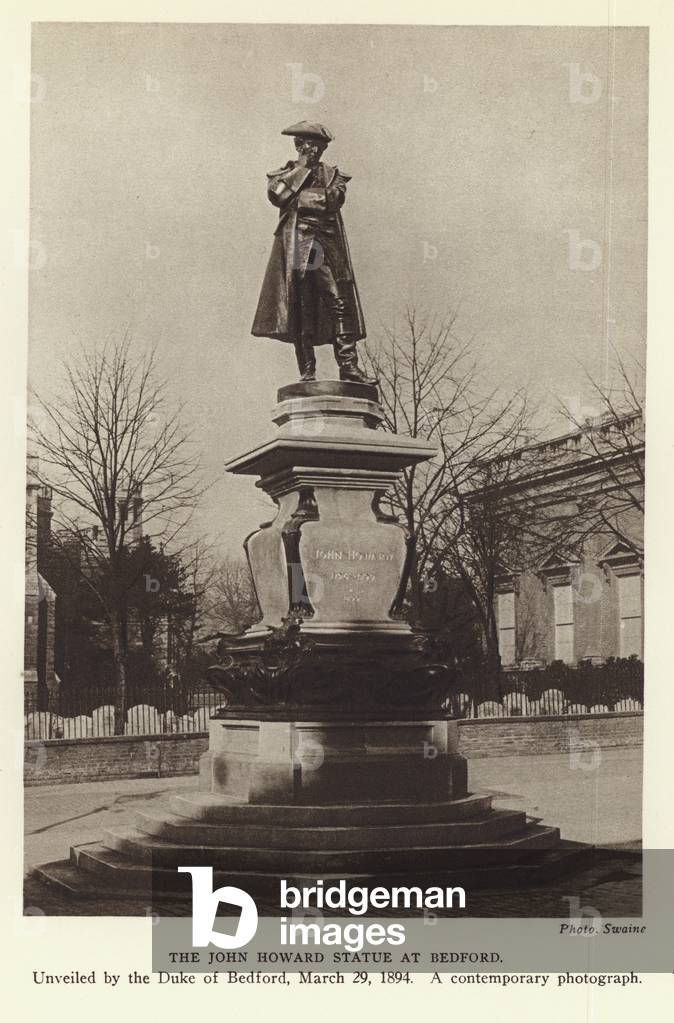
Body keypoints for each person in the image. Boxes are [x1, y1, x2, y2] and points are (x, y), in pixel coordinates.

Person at [251, 120, 376, 385]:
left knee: (339, 301)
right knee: (302, 306)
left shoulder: (333, 174)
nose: (316, 150)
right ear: (299, 145)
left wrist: (302, 198)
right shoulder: (283, 174)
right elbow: (278, 196)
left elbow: (334, 199)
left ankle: (348, 366)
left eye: (320, 146)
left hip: (326, 245)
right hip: (298, 246)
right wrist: (303, 170)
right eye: (310, 145)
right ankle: (307, 370)